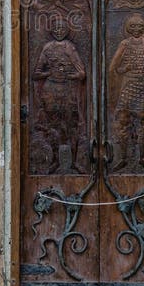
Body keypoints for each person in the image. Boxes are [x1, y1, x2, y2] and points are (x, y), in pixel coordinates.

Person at [109, 14, 144, 172]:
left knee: (143, 125)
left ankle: (142, 158)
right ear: (127, 28)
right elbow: (113, 67)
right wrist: (124, 69)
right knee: (123, 123)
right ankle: (124, 158)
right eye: (132, 26)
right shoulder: (124, 44)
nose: (136, 29)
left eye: (139, 26)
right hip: (128, 88)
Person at [31, 18, 86, 174]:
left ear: (67, 30)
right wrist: (50, 72)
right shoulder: (47, 48)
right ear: (52, 30)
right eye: (56, 28)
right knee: (53, 126)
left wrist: (70, 75)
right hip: (51, 90)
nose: (59, 31)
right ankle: (55, 160)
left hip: (68, 90)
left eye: (62, 28)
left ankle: (74, 162)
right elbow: (36, 73)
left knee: (72, 126)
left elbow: (82, 73)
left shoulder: (70, 48)